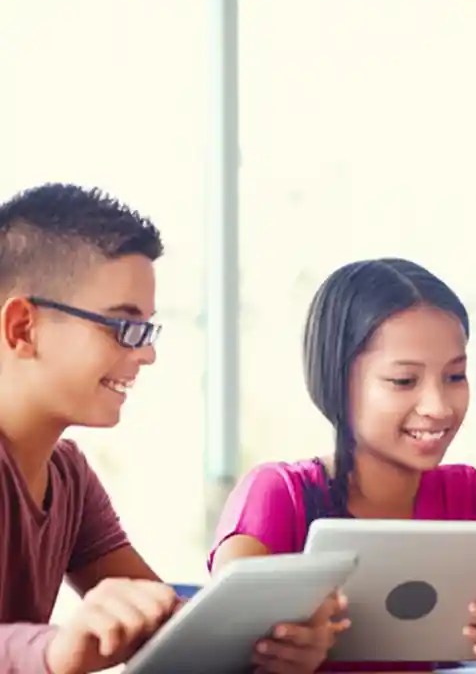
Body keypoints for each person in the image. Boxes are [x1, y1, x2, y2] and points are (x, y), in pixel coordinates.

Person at [0, 183, 335, 674]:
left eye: (147, 329)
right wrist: (54, 649)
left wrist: (274, 638)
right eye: (123, 326)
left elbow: (166, 625)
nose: (147, 354)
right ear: (22, 328)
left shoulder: (68, 476)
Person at [210, 258, 476, 673]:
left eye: (455, 376)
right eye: (404, 381)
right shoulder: (279, 494)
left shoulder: (466, 495)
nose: (439, 407)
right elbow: (215, 648)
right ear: (336, 380)